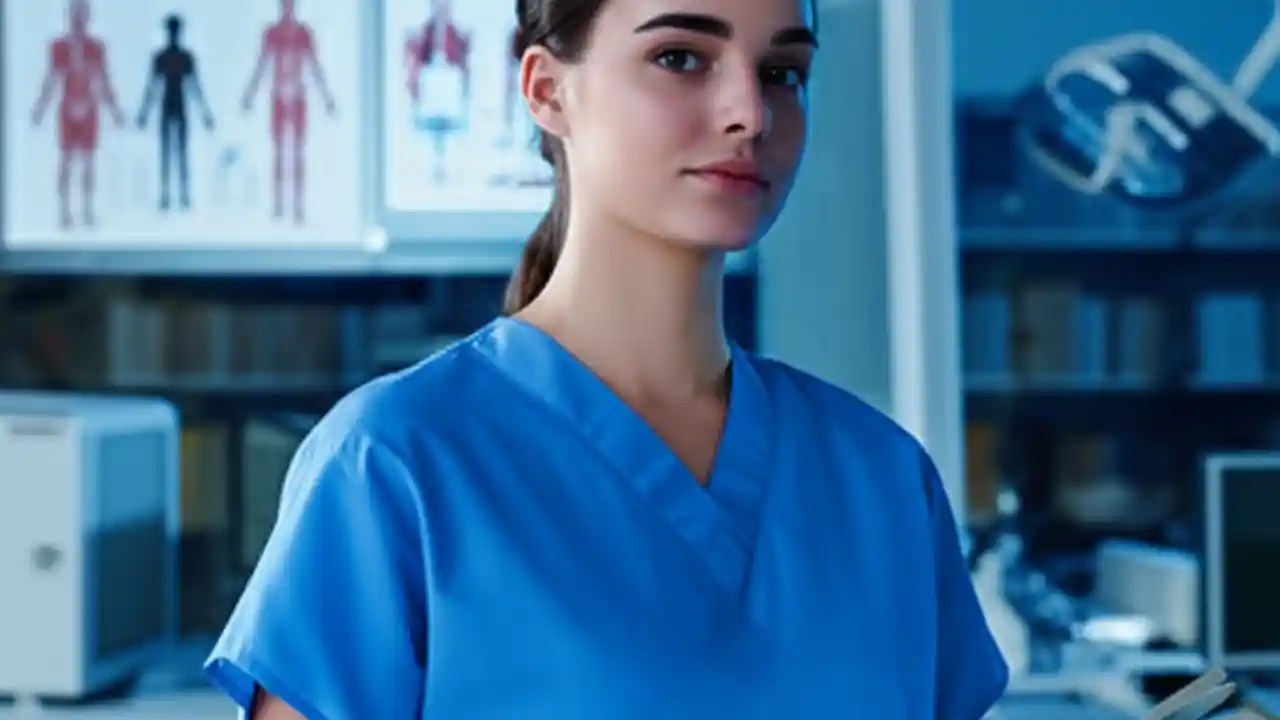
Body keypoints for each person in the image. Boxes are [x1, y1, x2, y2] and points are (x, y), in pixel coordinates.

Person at [205, 0, 1010, 717]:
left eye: (782, 73)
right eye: (680, 57)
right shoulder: (395, 462)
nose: (750, 112)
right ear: (547, 90)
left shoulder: (882, 479)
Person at [31, 0, 124, 229]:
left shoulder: (96, 47)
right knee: (66, 160)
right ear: (69, 16)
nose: (79, 19)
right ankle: (64, 213)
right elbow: (51, 79)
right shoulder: (59, 47)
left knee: (89, 162)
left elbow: (103, 80)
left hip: (90, 109)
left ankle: (87, 210)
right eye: (76, 14)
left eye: (83, 14)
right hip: (68, 109)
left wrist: (114, 110)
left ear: (88, 17)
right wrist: (41, 108)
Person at [242, 0, 336, 224]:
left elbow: (314, 65)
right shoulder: (272, 33)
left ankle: (298, 206)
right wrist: (250, 94)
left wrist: (326, 97)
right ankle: (278, 204)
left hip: (297, 96)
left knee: (298, 153)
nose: (286, 8)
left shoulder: (303, 34)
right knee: (278, 153)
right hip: (278, 97)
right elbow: (262, 64)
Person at [137, 14, 215, 212]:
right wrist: (144, 112)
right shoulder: (161, 58)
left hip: (179, 106)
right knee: (167, 153)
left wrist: (205, 113)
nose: (173, 34)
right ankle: (166, 196)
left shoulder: (185, 57)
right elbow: (152, 87)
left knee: (181, 153)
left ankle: (183, 195)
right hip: (168, 106)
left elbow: (195, 87)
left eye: (176, 31)